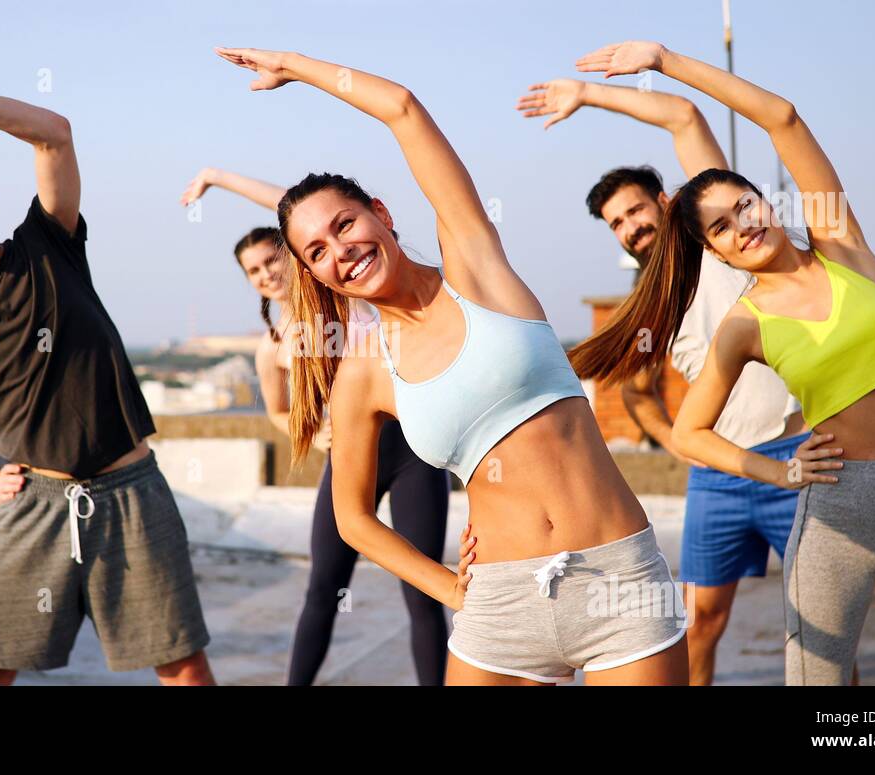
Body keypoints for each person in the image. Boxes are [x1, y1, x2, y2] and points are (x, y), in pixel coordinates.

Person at [216, 46, 689, 685]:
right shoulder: (363, 370)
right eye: (318, 250)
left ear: (381, 215)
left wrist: (295, 68)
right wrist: (448, 586)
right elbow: (352, 518)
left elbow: (405, 112)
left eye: (346, 223)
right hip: (498, 605)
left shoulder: (474, 268)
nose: (342, 250)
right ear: (312, 272)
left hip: (618, 583)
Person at [570, 40, 875, 685]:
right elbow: (688, 434)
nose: (741, 227)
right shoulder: (744, 323)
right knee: (817, 686)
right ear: (717, 254)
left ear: (767, 202)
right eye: (721, 229)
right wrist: (782, 472)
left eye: (745, 205)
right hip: (841, 506)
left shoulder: (843, 244)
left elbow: (782, 117)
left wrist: (662, 59)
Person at [0, 38, 213, 685]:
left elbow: (54, 135)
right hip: (33, 509)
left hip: (131, 493)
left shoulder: (47, 243)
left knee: (184, 667)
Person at [518, 78, 808, 684]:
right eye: (615, 224)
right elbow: (634, 393)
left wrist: (587, 95)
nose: (628, 228)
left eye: (633, 211)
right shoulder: (651, 296)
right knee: (699, 622)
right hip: (717, 475)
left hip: (795, 456)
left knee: (817, 623)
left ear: (663, 199)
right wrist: (679, 441)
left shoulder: (720, 240)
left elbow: (683, 115)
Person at [180, 168, 452, 685]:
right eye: (253, 271)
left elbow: (293, 204)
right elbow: (278, 413)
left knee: (425, 592)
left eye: (271, 260)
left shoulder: (346, 296)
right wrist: (316, 433)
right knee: (323, 588)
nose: (265, 274)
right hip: (350, 460)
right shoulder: (274, 346)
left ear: (294, 256)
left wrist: (219, 177)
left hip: (411, 450)